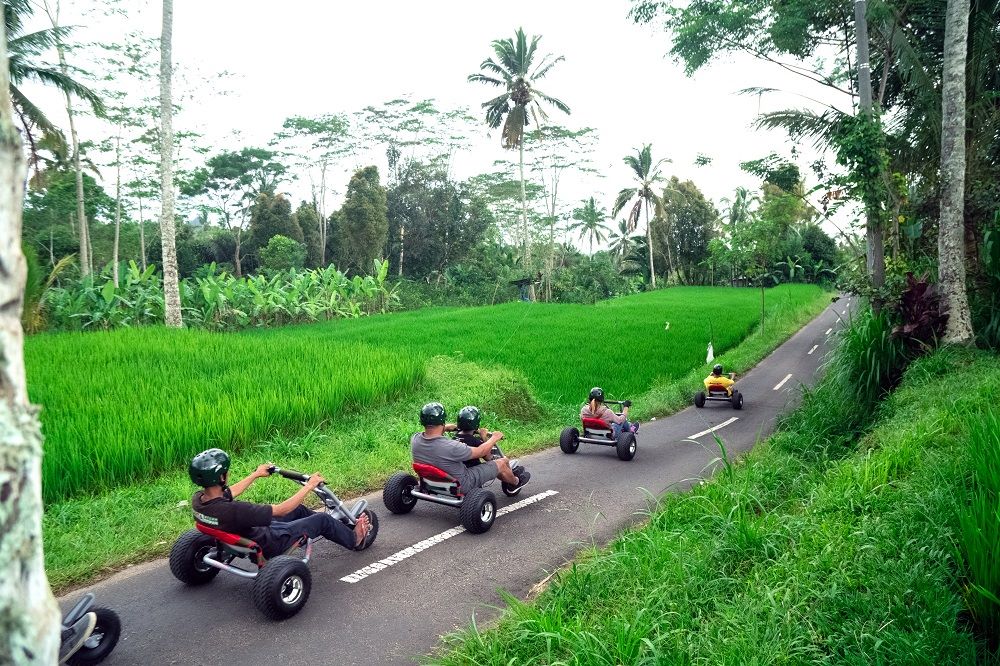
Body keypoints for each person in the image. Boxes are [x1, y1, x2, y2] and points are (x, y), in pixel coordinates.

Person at [188, 448, 374, 558]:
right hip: (270, 542)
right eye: (227, 471)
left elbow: (230, 492)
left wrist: (255, 474)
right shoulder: (236, 510)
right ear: (221, 476)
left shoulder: (200, 501)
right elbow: (281, 509)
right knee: (321, 520)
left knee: (299, 511)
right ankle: (354, 538)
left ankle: (338, 527)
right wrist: (309, 486)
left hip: (243, 534)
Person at [411, 402, 530, 491]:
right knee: (502, 463)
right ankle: (516, 482)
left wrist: (446, 427)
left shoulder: (415, 439)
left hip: (430, 480)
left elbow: (433, 433)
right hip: (462, 483)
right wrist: (494, 437)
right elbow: (481, 451)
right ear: (442, 421)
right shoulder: (452, 447)